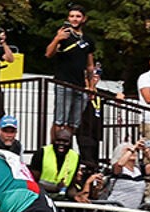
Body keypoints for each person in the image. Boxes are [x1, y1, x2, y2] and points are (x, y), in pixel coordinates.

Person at [45, 5, 95, 139]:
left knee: (74, 123)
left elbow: (90, 65)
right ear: (68, 18)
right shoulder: (64, 35)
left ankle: (65, 147)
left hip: (80, 84)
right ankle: (53, 148)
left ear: (84, 19)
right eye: (72, 16)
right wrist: (57, 38)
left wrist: (91, 87)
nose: (75, 19)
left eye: (78, 16)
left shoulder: (88, 40)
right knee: (59, 120)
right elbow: (48, 54)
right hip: (63, 81)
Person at [96, 139, 150, 212]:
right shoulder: (118, 168)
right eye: (128, 150)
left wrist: (148, 155)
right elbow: (120, 164)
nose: (133, 151)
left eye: (134, 150)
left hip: (134, 211)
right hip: (116, 210)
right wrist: (134, 147)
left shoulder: (139, 169)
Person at [29, 128, 80, 197]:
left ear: (71, 142)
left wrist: (75, 196)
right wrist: (54, 189)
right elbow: (32, 182)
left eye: (65, 141)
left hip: (62, 199)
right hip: (40, 196)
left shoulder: (75, 157)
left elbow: (71, 185)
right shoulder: (42, 153)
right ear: (53, 140)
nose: (61, 143)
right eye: (58, 140)